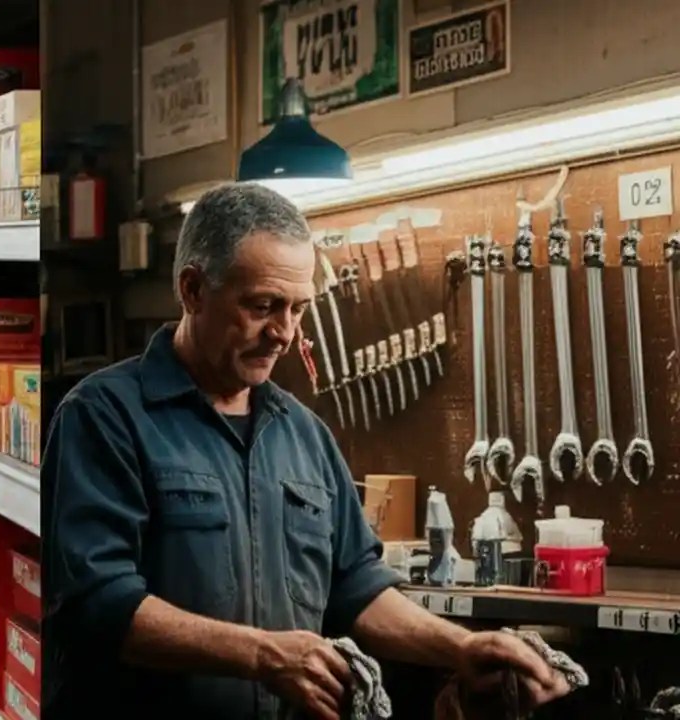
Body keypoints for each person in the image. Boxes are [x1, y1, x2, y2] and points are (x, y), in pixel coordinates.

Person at [40, 183, 573, 719]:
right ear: (193, 290)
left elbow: (357, 588)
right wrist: (263, 655)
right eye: (263, 306)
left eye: (298, 309)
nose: (284, 333)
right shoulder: (104, 417)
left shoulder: (305, 436)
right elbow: (96, 604)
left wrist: (459, 648)